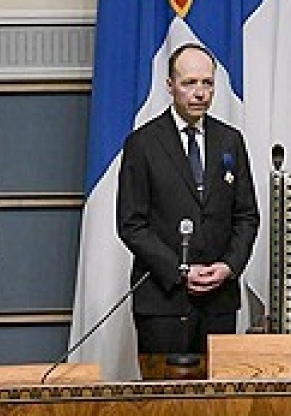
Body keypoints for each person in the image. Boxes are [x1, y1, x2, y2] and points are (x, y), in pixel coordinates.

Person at [117, 43, 260, 360]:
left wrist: (228, 266)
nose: (200, 93)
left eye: (207, 83)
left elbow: (246, 216)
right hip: (163, 302)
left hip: (218, 301)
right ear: (170, 86)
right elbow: (131, 224)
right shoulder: (142, 144)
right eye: (189, 83)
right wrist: (180, 270)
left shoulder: (230, 140)